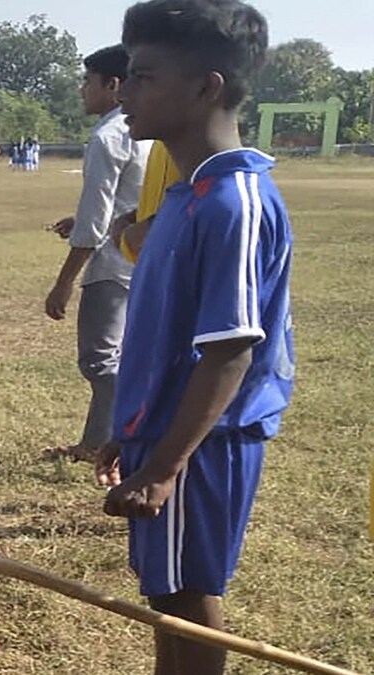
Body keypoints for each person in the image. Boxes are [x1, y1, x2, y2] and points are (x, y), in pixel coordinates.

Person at [96, 2, 293, 674]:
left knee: (188, 598)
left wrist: (165, 466)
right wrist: (133, 429)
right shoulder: (185, 196)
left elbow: (231, 349)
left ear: (207, 87)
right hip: (167, 436)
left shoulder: (231, 201)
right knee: (165, 595)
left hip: (201, 446)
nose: (124, 92)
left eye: (144, 76)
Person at [43, 45, 151, 463]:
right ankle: (95, 442)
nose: (82, 90)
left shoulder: (108, 135)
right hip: (143, 257)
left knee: (101, 360)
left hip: (111, 265)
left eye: (88, 82)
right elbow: (128, 200)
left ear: (113, 85)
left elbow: (94, 221)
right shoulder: (148, 131)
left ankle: (122, 440)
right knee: (119, 355)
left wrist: (63, 283)